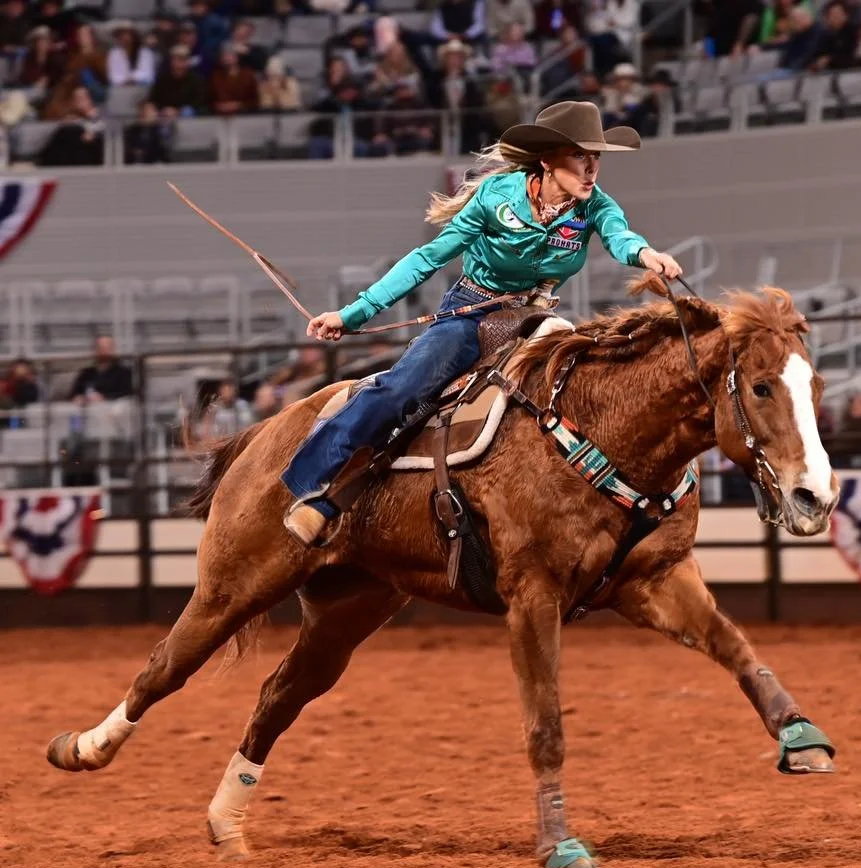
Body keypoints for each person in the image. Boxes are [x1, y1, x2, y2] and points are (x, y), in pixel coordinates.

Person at [281, 100, 682, 546]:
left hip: (535, 319)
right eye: (579, 157)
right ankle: (314, 490)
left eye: (596, 158)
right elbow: (428, 259)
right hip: (473, 311)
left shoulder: (596, 208)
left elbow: (620, 236)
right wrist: (352, 314)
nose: (591, 169)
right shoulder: (497, 198)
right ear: (548, 161)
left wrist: (647, 256)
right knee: (403, 389)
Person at [69, 335, 133, 403]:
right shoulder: (86, 373)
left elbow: (128, 394)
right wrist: (79, 397)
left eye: (107, 347)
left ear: (113, 349)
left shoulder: (124, 373)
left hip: (112, 409)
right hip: (87, 409)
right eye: (100, 347)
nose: (103, 351)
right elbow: (73, 394)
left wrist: (104, 397)